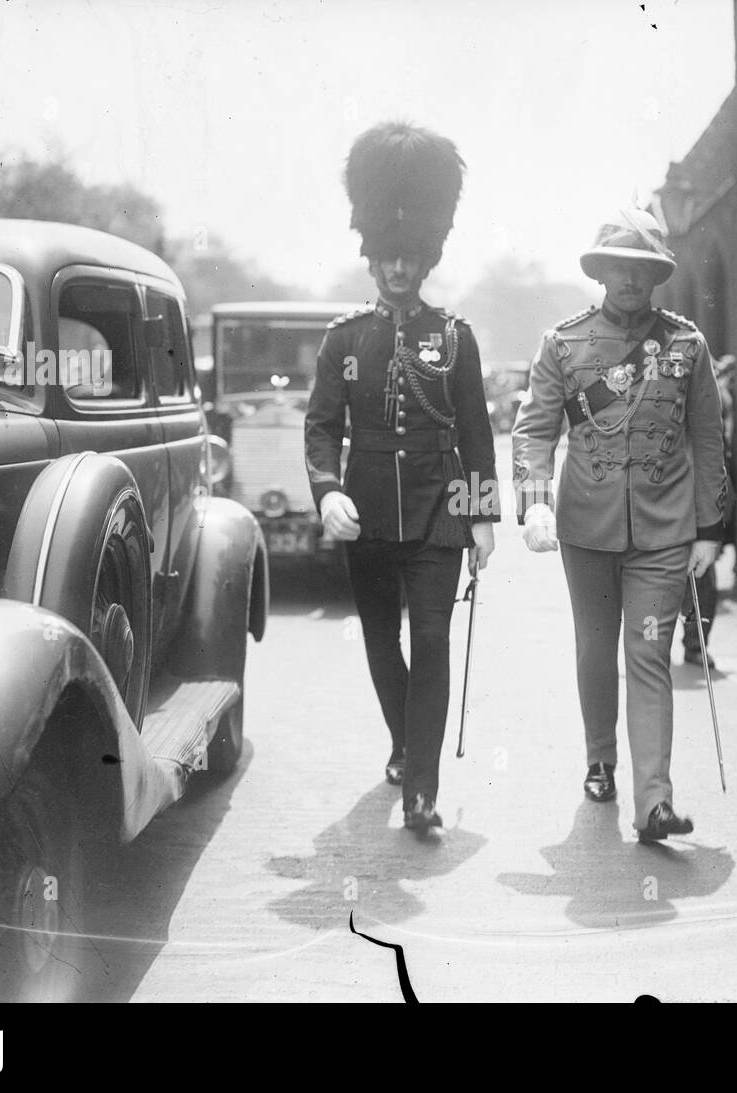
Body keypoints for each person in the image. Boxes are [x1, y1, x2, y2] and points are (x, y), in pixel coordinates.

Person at [304, 122, 499, 833]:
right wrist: (327, 490)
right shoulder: (344, 338)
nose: (397, 269)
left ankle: (422, 787)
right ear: (371, 257)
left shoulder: (455, 336)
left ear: (427, 259)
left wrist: (481, 515)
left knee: (435, 639)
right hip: (366, 514)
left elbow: (476, 431)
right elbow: (322, 426)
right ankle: (403, 741)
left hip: (438, 512)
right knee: (382, 641)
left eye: (410, 257)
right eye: (387, 257)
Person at [511, 208, 729, 842]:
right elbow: (534, 432)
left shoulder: (687, 345)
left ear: (656, 275)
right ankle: (599, 759)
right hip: (584, 528)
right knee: (594, 649)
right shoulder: (563, 343)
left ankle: (654, 803)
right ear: (600, 271)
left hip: (664, 531)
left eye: (643, 270)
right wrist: (535, 502)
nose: (630, 281)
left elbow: (708, 440)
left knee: (649, 653)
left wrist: (711, 529)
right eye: (619, 269)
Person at [679, 352, 737, 669]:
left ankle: (695, 644)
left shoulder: (711, 399)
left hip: (701, 505)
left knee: (703, 580)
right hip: (667, 505)